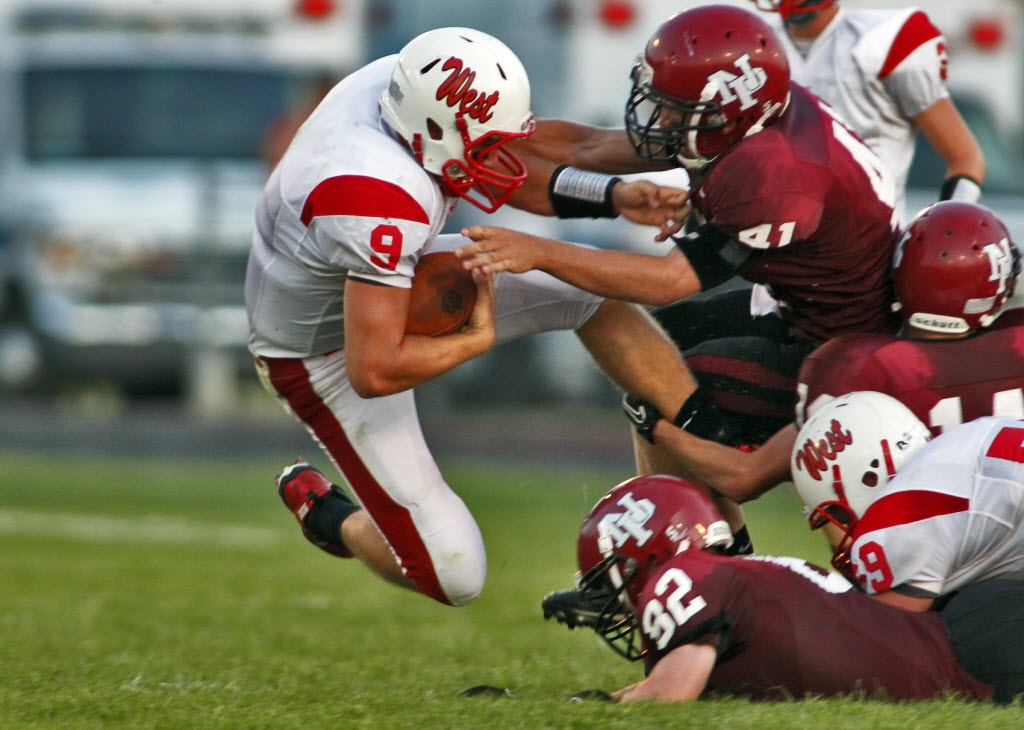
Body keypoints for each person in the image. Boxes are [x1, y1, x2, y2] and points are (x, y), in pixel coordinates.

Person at [245, 27, 697, 607]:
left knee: (594, 294)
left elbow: (522, 158)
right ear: (436, 133)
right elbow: (375, 369)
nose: (499, 157)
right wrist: (477, 339)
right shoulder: (373, 193)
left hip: (385, 275)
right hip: (320, 352)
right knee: (453, 573)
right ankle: (330, 517)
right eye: (485, 145)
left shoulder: (404, 89)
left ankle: (693, 469)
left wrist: (614, 193)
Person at [619, 200, 1024, 504]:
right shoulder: (1014, 346)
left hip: (899, 563)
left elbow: (742, 479)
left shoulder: (861, 367)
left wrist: (656, 425)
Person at [550, 474, 992, 703]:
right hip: (968, 633)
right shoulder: (730, 577)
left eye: (613, 583)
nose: (620, 605)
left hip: (982, 657)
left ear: (652, 557)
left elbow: (667, 697)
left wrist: (581, 710)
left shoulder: (685, 573)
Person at [790, 390, 1024, 613]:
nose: (846, 531)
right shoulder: (970, 433)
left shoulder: (899, 514)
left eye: (839, 514)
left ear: (870, 476)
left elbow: (883, 640)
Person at [750, 0, 985, 219]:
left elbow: (966, 157)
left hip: (873, 247)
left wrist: (947, 227)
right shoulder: (748, 45)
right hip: (777, 239)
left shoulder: (881, 40)